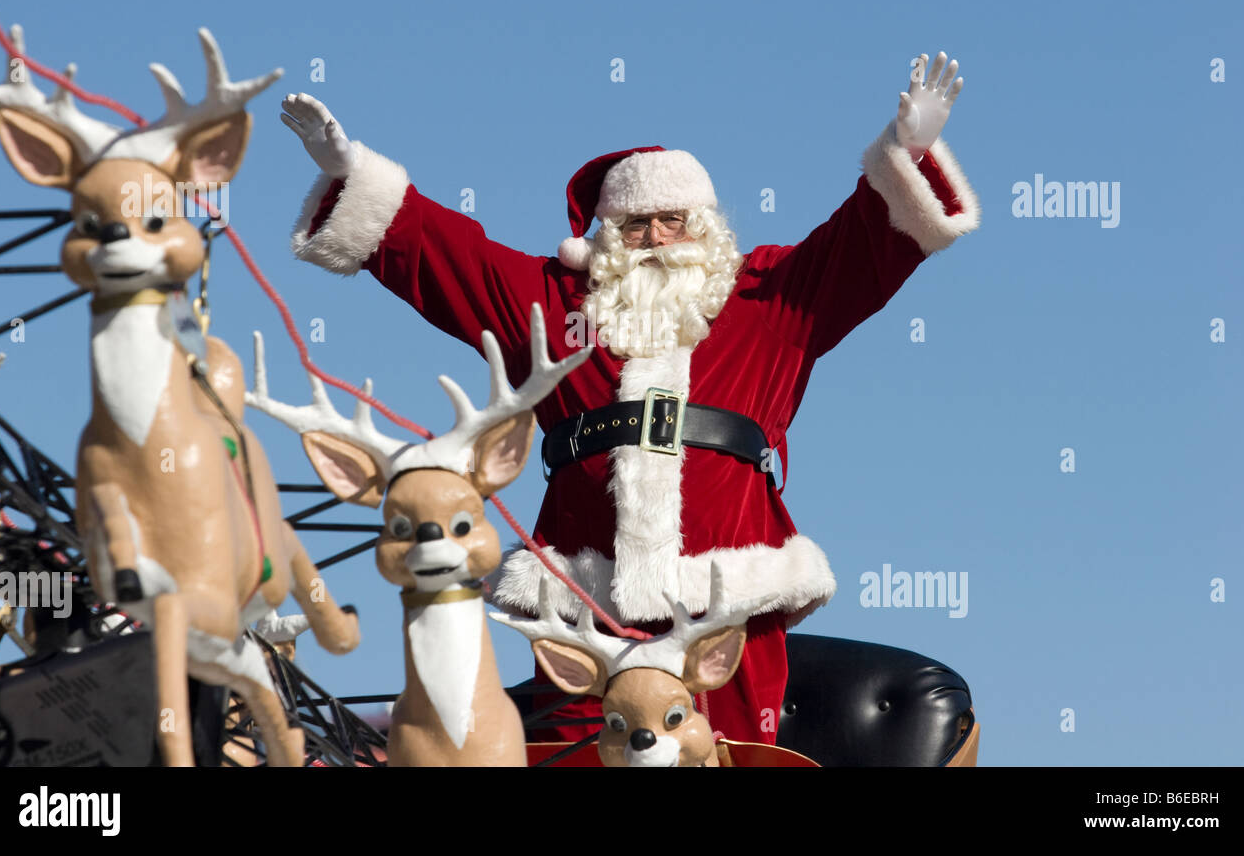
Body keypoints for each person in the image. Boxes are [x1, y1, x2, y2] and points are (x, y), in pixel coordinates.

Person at [280, 51, 980, 745]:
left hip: (727, 605)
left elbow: (858, 245)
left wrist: (906, 152)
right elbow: (445, 252)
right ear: (605, 240)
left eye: (672, 221)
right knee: (583, 757)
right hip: (586, 611)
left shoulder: (765, 297)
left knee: (733, 760)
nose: (654, 240)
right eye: (635, 227)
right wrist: (355, 177)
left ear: (704, 226)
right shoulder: (552, 305)